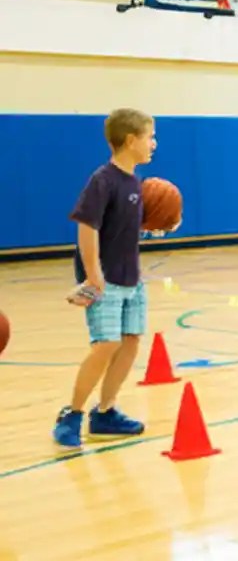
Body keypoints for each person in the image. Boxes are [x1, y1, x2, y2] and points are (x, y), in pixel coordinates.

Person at [54, 108, 172, 447]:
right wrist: (93, 275)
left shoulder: (135, 183)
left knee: (131, 342)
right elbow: (86, 227)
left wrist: (152, 230)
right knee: (105, 344)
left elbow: (123, 230)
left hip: (131, 279)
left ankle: (105, 412)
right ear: (130, 140)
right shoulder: (103, 179)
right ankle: (71, 414)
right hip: (105, 280)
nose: (154, 143)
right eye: (150, 137)